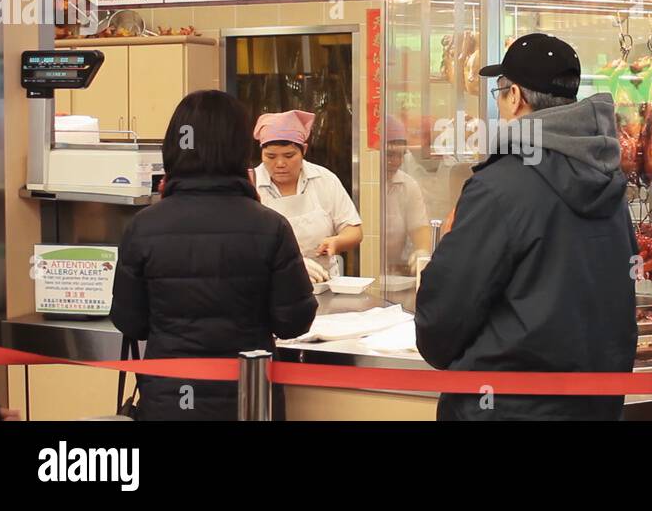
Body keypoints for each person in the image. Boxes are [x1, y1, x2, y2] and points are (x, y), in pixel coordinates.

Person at [415, 33, 638, 421]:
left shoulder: (500, 186)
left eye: (499, 93)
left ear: (515, 96)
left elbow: (443, 316)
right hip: (595, 406)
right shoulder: (608, 178)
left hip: (505, 408)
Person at [111, 91, 318, 421]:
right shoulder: (270, 226)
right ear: (238, 149)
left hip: (170, 399)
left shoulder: (143, 227)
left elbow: (129, 321)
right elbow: (293, 321)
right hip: (248, 400)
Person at [252, 110, 363, 282]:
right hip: (269, 285)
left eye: (289, 155)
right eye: (271, 156)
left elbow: (354, 230)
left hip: (323, 283)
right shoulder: (250, 184)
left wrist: (337, 242)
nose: (280, 164)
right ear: (261, 153)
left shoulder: (324, 180)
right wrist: (288, 264)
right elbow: (238, 244)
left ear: (303, 150)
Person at [384, 116, 432, 275]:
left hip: (396, 273)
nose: (396, 161)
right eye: (390, 155)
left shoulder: (408, 186)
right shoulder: (367, 186)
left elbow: (419, 229)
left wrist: (423, 252)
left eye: (401, 155)